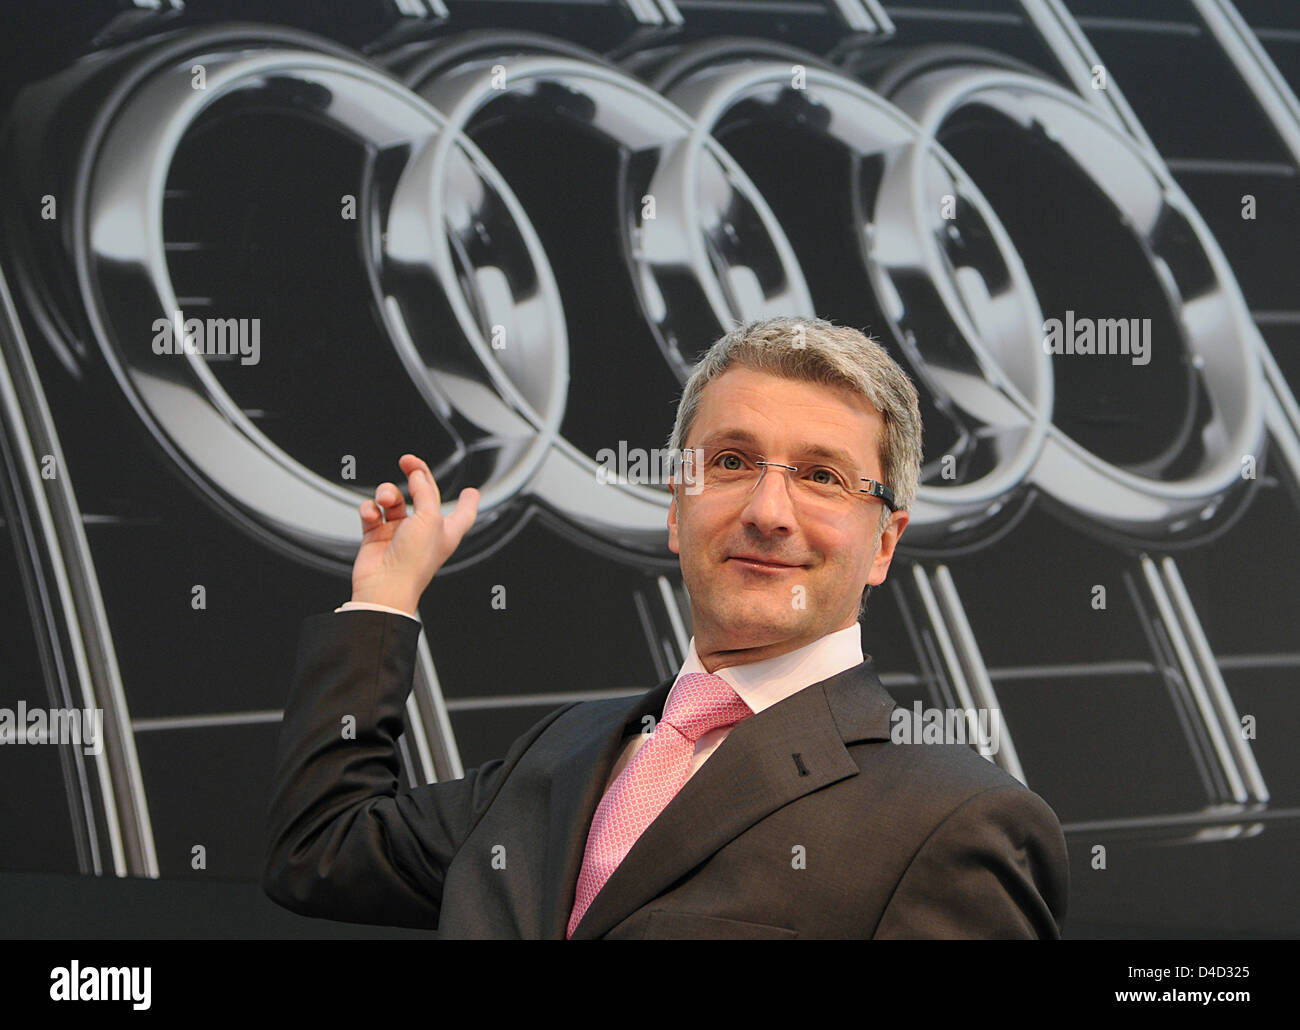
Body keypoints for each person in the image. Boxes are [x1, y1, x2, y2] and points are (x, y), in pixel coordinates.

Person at [262, 316, 1069, 938]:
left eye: (822, 477)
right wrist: (385, 596)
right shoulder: (554, 758)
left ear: (883, 544)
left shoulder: (955, 822)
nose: (766, 511)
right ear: (677, 511)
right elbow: (322, 849)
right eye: (730, 463)